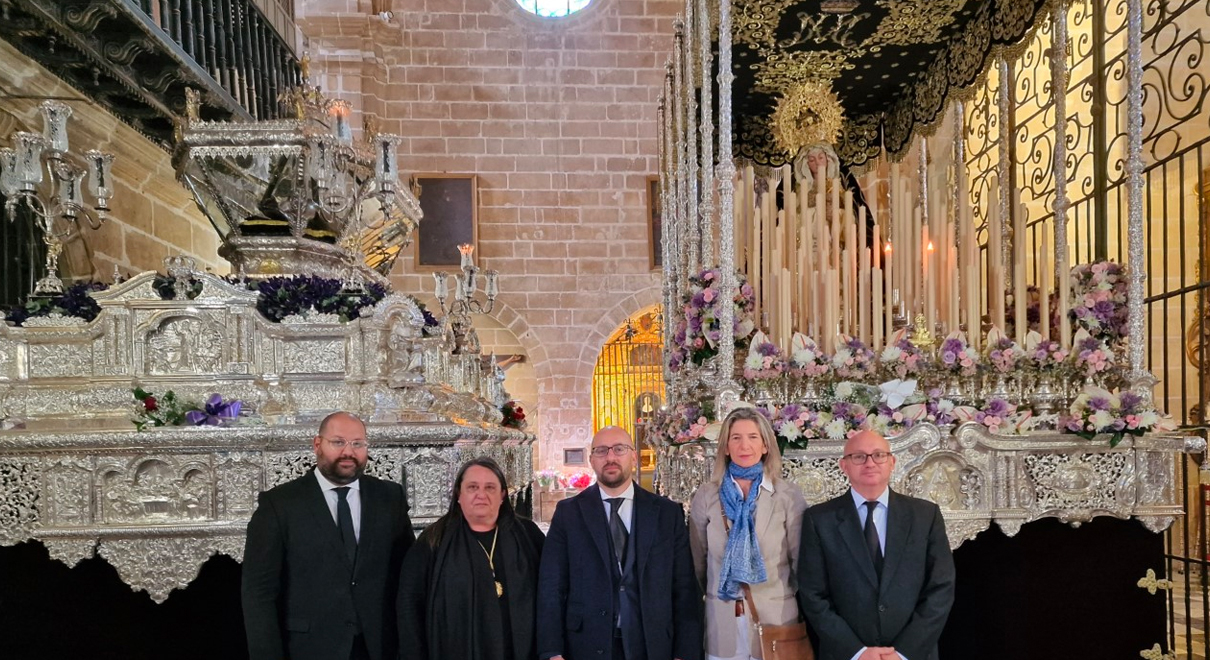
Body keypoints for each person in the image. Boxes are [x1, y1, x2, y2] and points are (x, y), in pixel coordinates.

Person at [242, 412, 416, 660]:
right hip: (310, 648)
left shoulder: (389, 497)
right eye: (338, 442)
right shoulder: (280, 504)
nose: (349, 452)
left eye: (358, 443)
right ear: (317, 445)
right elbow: (259, 594)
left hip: (379, 646)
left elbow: (408, 577)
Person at [537, 426, 702, 660]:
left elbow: (684, 587)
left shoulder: (666, 513)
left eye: (619, 449)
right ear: (592, 460)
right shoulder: (569, 514)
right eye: (601, 451)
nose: (611, 457)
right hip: (586, 645)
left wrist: (685, 652)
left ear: (634, 456)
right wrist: (551, 651)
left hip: (653, 644)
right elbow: (551, 587)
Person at [796, 430, 955, 660]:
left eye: (878, 455)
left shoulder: (925, 515)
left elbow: (941, 588)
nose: (870, 463)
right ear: (844, 465)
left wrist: (903, 653)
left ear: (892, 462)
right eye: (859, 456)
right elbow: (813, 595)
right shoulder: (819, 519)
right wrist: (857, 652)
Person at [397, 457, 545, 660]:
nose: (481, 495)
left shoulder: (528, 535)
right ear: (459, 494)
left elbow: (551, 594)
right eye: (472, 487)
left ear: (503, 494)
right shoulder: (433, 541)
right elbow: (409, 605)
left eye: (490, 487)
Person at [689, 407, 808, 660]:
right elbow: (698, 562)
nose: (745, 445)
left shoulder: (787, 495)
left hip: (776, 623)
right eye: (736, 438)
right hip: (722, 626)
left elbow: (801, 563)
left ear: (765, 445)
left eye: (753, 437)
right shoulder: (707, 496)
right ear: (725, 447)